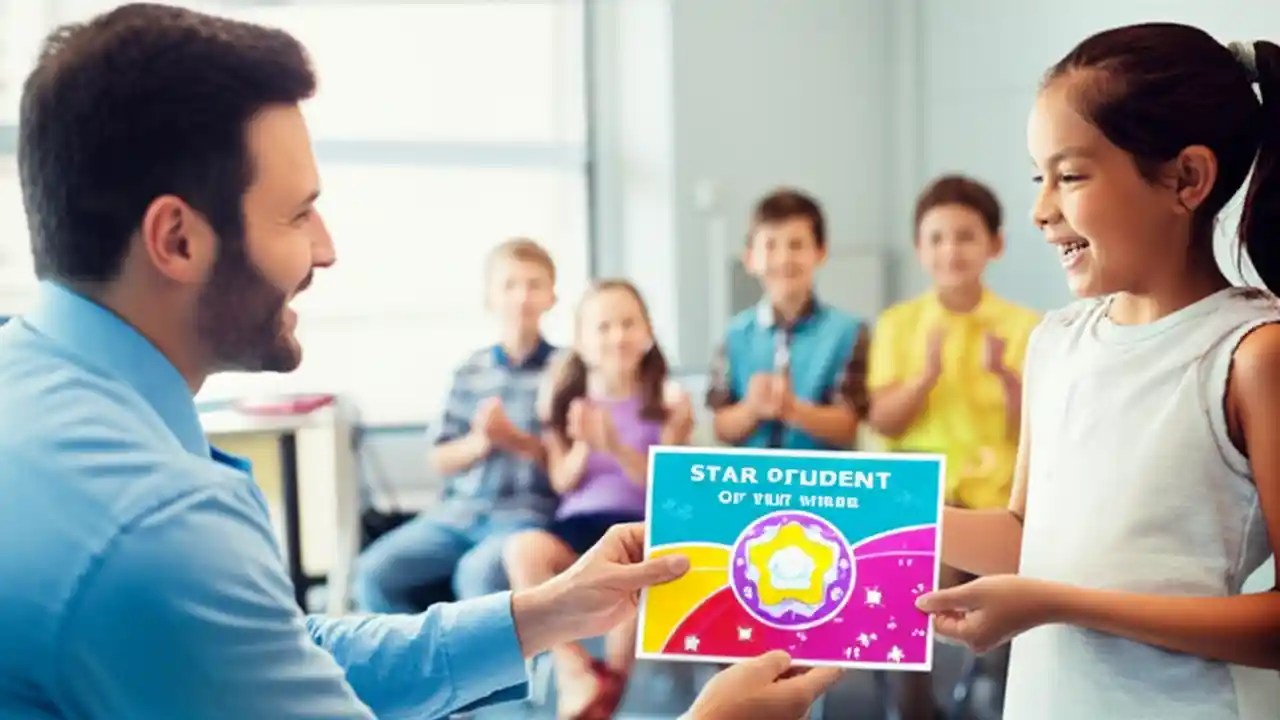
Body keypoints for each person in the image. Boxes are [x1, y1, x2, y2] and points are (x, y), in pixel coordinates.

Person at [0, 5, 841, 718]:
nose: (326, 251)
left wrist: (546, 613)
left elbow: (288, 651)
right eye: (299, 215)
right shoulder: (157, 529)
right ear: (177, 239)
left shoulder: (34, 382)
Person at [916, 23, 1280, 720]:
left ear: (1187, 178)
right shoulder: (1055, 342)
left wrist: (1055, 602)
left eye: (1070, 176)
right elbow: (1028, 534)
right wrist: (888, 517)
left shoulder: (1252, 355)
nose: (1040, 209)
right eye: (1037, 177)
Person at [867, 176, 1038, 719]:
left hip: (1000, 506)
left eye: (965, 236)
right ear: (920, 248)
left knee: (1002, 631)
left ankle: (989, 697)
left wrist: (1008, 380)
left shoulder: (1027, 327)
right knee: (912, 613)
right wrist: (926, 376)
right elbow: (884, 421)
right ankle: (915, 708)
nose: (950, 250)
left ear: (996, 244)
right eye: (936, 238)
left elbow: (1034, 431)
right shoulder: (898, 325)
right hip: (922, 500)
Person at [504, 279, 694, 718]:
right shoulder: (565, 398)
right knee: (522, 549)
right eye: (603, 327)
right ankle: (575, 670)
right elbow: (562, 480)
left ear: (647, 332)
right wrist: (587, 444)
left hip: (636, 522)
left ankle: (609, 687)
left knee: (628, 579)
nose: (618, 336)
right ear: (582, 342)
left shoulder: (668, 401)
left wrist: (616, 446)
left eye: (629, 324)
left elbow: (665, 487)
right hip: (579, 522)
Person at [355, 238, 561, 609]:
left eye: (534, 285)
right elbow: (440, 458)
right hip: (457, 514)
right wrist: (481, 441)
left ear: (551, 297)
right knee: (373, 573)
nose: (522, 297)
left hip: (525, 517)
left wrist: (515, 440)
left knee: (477, 574)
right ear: (490, 297)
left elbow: (573, 467)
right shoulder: (469, 370)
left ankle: (489, 669)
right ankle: (414, 666)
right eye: (510, 285)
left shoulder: (564, 371)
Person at [706, 188, 870, 451]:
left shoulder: (849, 332)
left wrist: (794, 410)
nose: (784, 259)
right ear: (750, 258)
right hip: (752, 484)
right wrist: (752, 409)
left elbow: (850, 423)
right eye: (770, 245)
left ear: (820, 252)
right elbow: (721, 425)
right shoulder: (734, 334)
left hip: (822, 485)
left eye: (796, 245)